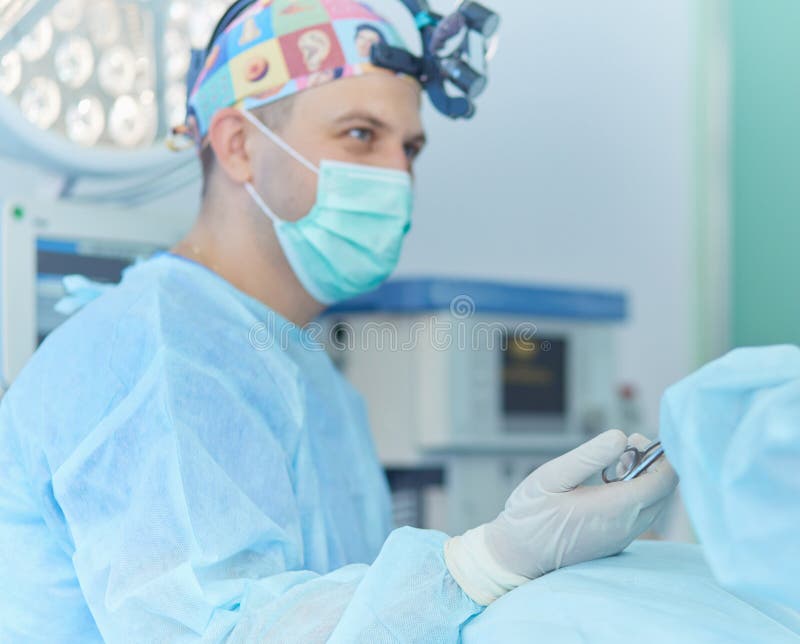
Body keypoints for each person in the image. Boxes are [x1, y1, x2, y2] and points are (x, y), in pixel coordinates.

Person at [0, 1, 677, 642]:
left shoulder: (300, 368)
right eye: (361, 135)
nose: (397, 175)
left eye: (410, 148)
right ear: (237, 145)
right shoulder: (159, 358)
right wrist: (482, 564)